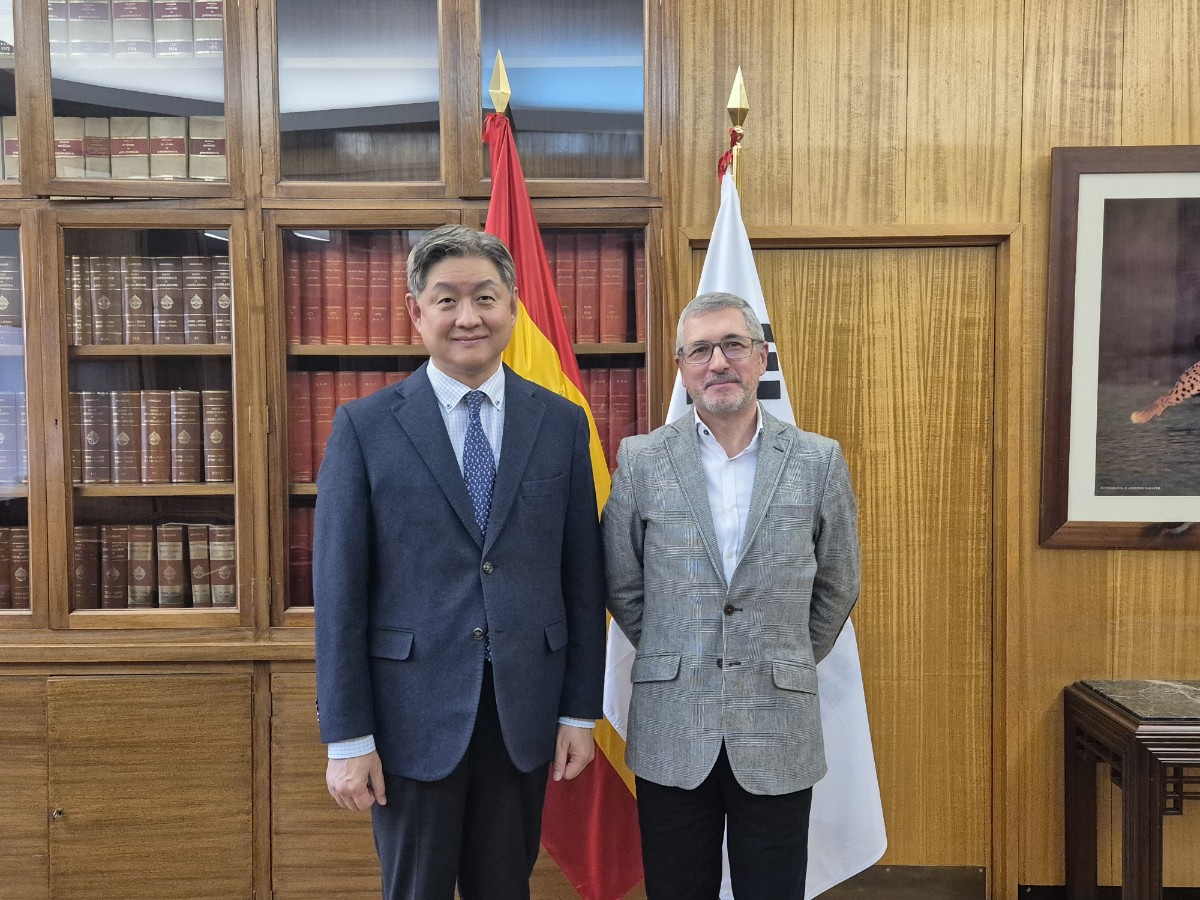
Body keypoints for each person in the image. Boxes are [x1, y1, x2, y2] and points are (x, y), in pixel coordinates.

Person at [313, 224, 607, 900]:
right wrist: (347, 736)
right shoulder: (364, 428)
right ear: (416, 313)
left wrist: (578, 713)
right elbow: (339, 594)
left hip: (523, 717)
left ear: (512, 306)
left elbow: (582, 581)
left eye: (484, 297)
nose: (467, 317)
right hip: (407, 720)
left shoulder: (561, 424)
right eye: (446, 300)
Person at [602, 291, 861, 900]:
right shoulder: (641, 460)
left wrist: (781, 656)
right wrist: (674, 648)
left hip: (777, 720)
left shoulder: (818, 460)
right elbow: (621, 580)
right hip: (673, 721)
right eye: (699, 350)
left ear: (762, 356)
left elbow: (838, 582)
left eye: (733, 345)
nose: (717, 361)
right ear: (682, 368)